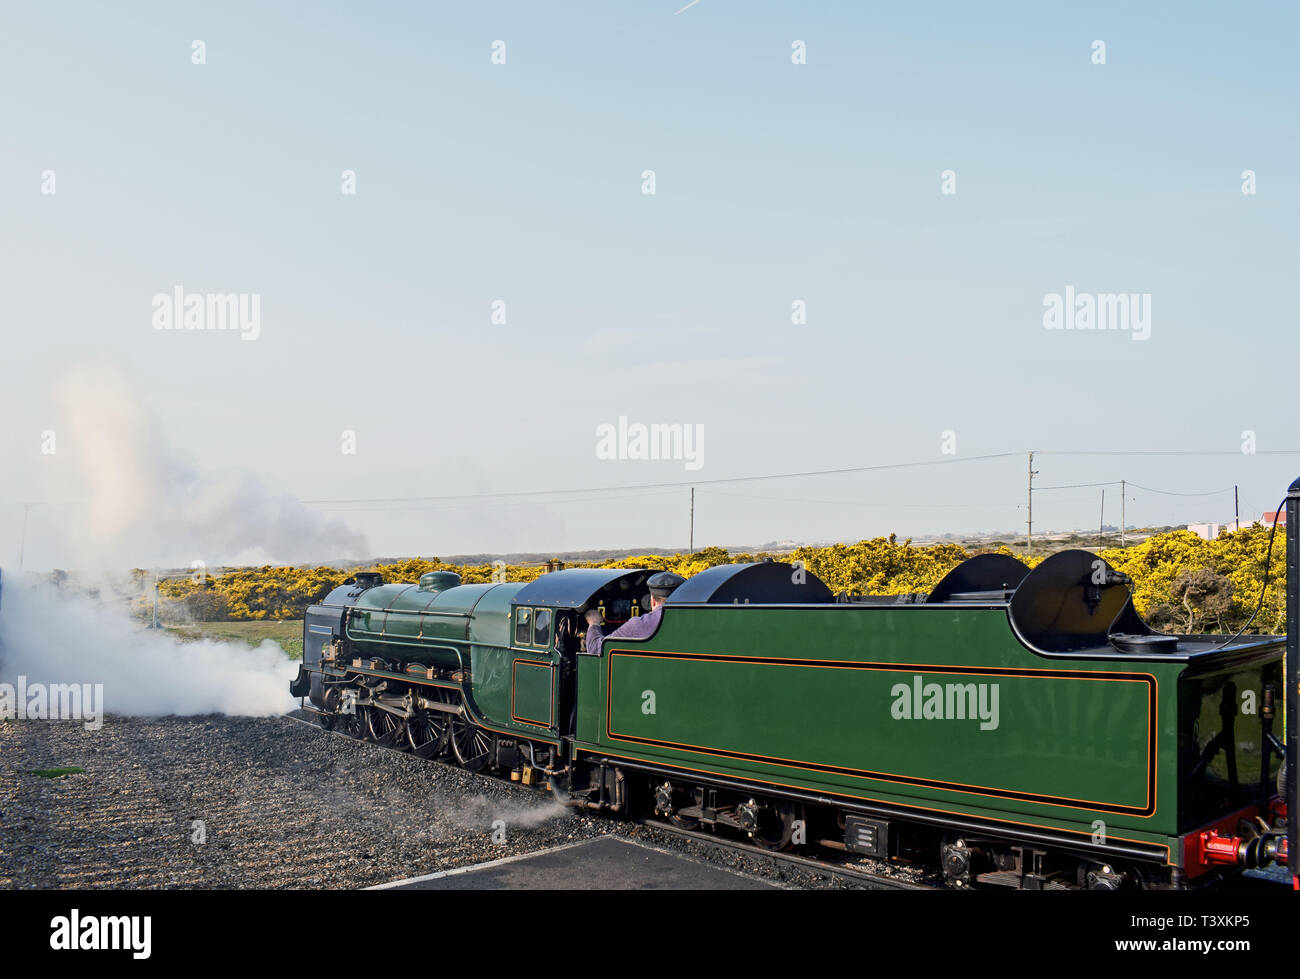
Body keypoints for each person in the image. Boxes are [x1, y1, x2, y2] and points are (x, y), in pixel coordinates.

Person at [584, 571, 685, 657]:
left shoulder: (639, 625)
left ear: (652, 601)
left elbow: (596, 650)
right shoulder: (696, 620)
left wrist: (594, 623)